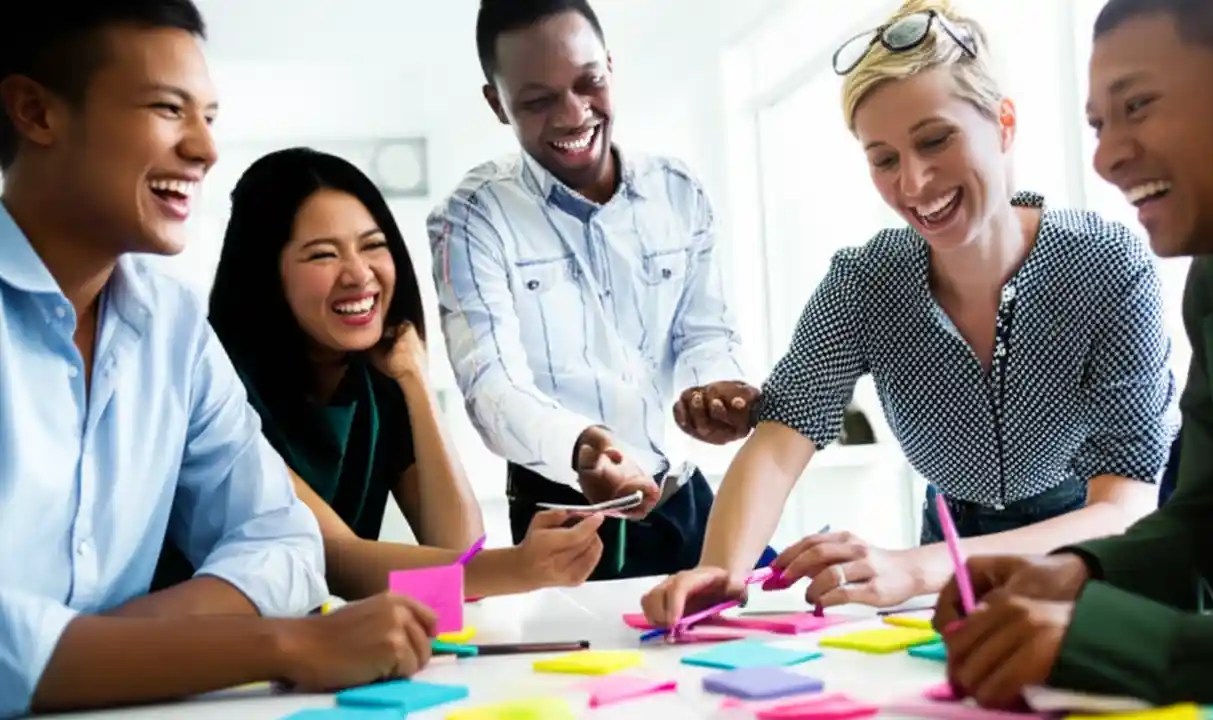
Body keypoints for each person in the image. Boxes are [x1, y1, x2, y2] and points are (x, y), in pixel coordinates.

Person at [641, 0, 1178, 625]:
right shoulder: (865, 282)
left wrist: (919, 566)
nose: (915, 183)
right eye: (884, 158)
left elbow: (1126, 509)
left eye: (935, 140)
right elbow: (779, 441)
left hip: (1084, 555)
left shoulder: (1108, 266)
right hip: (945, 549)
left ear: (1004, 124)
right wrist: (722, 573)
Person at [0, 4, 441, 716]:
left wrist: (101, 653)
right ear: (36, 112)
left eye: (209, 115)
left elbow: (283, 543)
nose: (205, 149)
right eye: (168, 109)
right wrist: (278, 646)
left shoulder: (173, 330)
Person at [933, 0, 1213, 709]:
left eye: (1140, 104)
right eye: (1098, 123)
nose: (1107, 154)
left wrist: (1135, 647)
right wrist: (1081, 573)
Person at [429, 0, 760, 581]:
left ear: (610, 65)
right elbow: (492, 385)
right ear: (496, 104)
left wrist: (717, 389)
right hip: (566, 520)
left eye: (589, 83)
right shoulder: (472, 217)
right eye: (537, 101)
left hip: (686, 495)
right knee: (584, 671)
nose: (573, 114)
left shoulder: (678, 192)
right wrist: (584, 447)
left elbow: (705, 333)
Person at [198, 147, 603, 599]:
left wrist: (416, 383)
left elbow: (457, 547)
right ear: (266, 276)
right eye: (322, 255)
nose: (358, 274)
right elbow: (334, 559)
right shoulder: (223, 389)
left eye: (373, 245)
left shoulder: (375, 380)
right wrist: (519, 567)